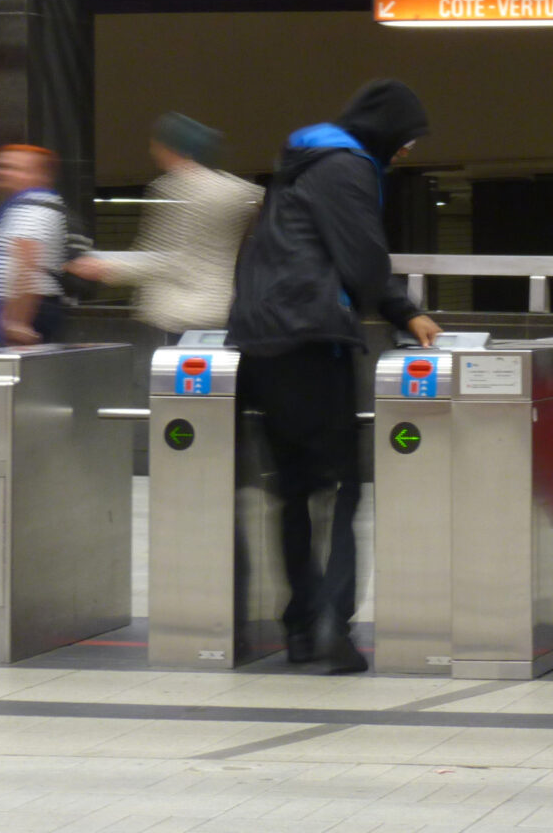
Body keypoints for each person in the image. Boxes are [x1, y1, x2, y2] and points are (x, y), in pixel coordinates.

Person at [230, 79, 442, 673]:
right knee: (345, 491)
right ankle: (335, 632)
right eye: (405, 140)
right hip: (312, 340)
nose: (407, 152)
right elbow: (363, 258)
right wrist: (406, 311)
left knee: (294, 492)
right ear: (383, 132)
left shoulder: (299, 164)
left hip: (260, 342)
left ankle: (298, 629)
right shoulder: (346, 166)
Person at [66, 113, 263, 335]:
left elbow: (170, 258)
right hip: (226, 307)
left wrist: (107, 266)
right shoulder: (238, 190)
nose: (153, 152)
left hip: (183, 313)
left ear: (171, 147)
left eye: (155, 145)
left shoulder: (175, 189)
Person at [0, 144, 68, 347]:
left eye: (11, 167)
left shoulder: (33, 205)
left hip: (27, 314)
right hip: (21, 311)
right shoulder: (22, 203)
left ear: (38, 174)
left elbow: (27, 259)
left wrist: (16, 322)